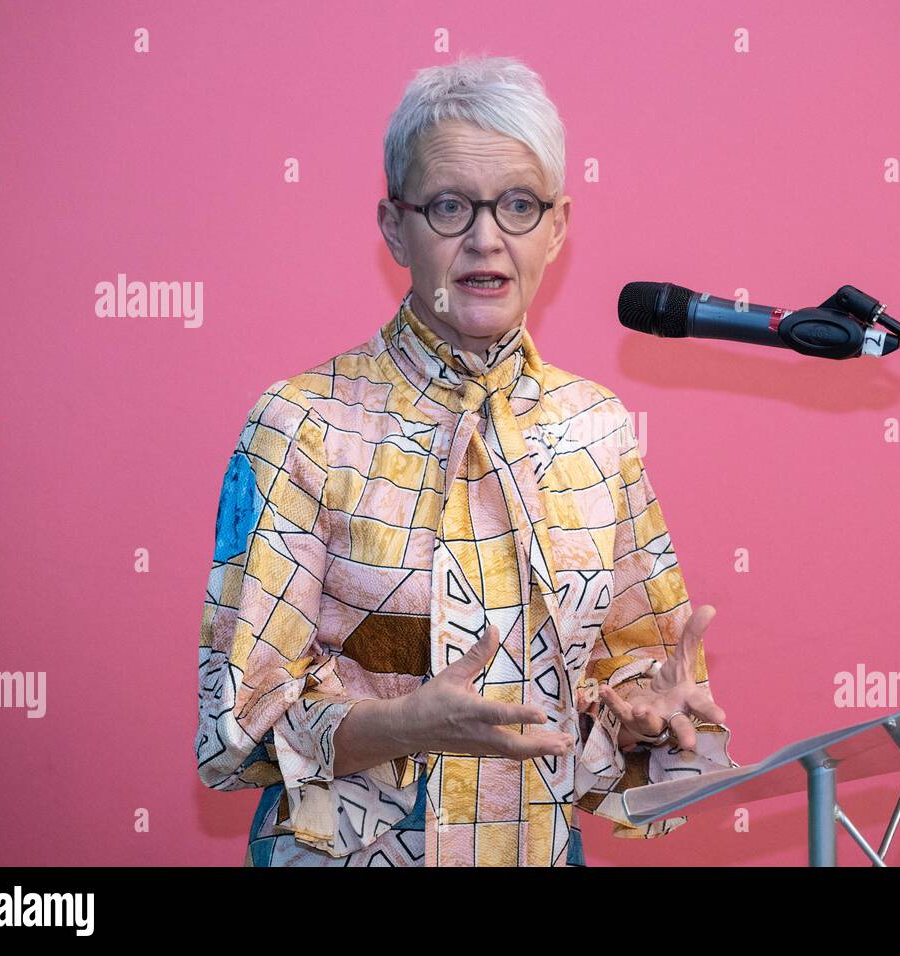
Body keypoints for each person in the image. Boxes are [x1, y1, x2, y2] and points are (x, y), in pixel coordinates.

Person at [195, 54, 736, 867]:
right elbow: (234, 728)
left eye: (518, 205)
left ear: (557, 228)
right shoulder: (303, 423)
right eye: (450, 206)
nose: (486, 237)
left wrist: (640, 719)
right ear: (394, 227)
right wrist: (401, 727)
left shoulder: (597, 428)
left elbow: (623, 682)